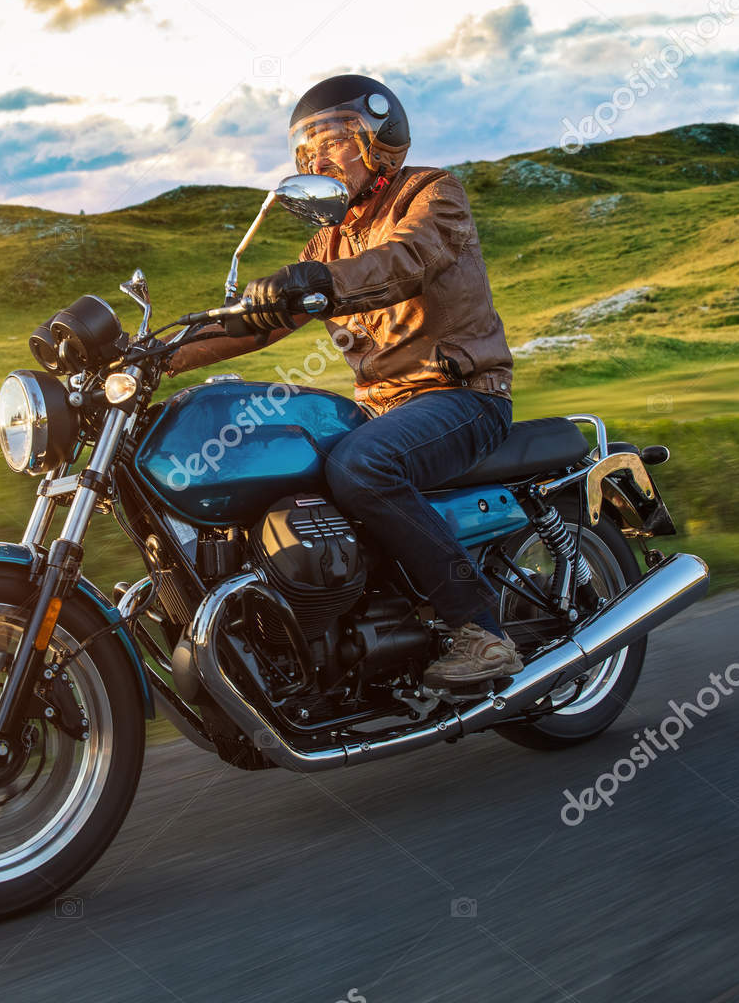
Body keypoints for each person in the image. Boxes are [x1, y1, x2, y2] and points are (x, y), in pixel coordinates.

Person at [165, 74, 522, 686]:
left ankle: (481, 629)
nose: (318, 161)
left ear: (380, 140)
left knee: (361, 466)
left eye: (333, 141)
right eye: (307, 152)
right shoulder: (326, 243)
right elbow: (260, 326)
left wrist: (319, 282)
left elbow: (404, 262)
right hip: (383, 410)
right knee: (279, 468)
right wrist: (159, 356)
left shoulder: (431, 194)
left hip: (463, 397)